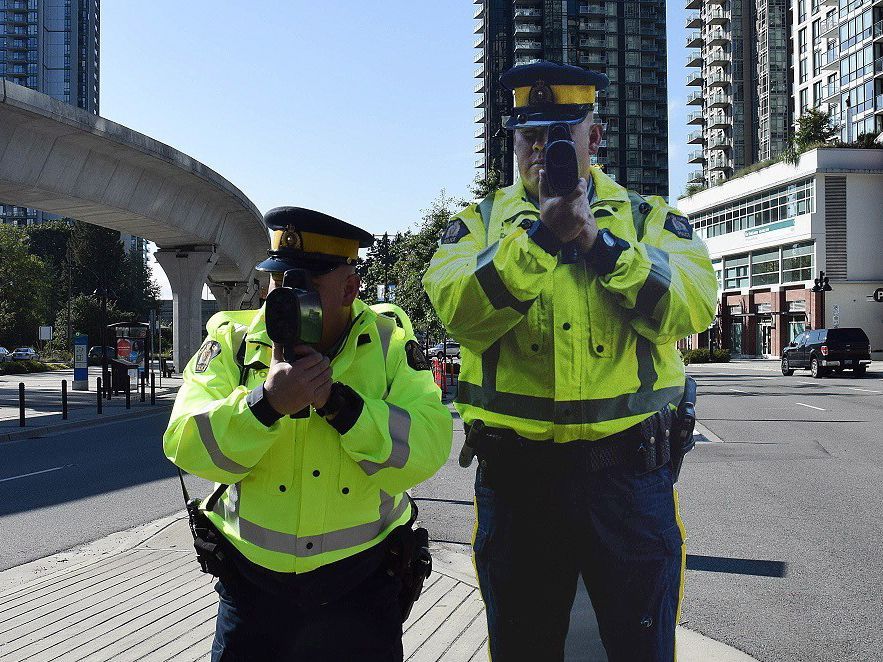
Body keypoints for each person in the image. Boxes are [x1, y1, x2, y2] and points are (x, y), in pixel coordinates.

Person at [423, 61, 717, 661]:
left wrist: (598, 245)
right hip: (518, 485)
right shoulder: (477, 226)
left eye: (559, 134)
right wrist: (539, 242)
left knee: (642, 650)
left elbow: (693, 306)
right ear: (512, 142)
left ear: (595, 137)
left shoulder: (647, 220)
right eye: (529, 135)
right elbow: (459, 313)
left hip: (629, 483)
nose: (542, 149)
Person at [163, 206, 453, 661]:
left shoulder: (389, 343)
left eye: (305, 285)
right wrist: (265, 404)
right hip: (254, 592)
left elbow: (430, 445)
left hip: (359, 589)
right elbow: (184, 442)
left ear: (349, 288)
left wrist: (342, 408)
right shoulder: (233, 339)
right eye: (279, 281)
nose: (286, 298)